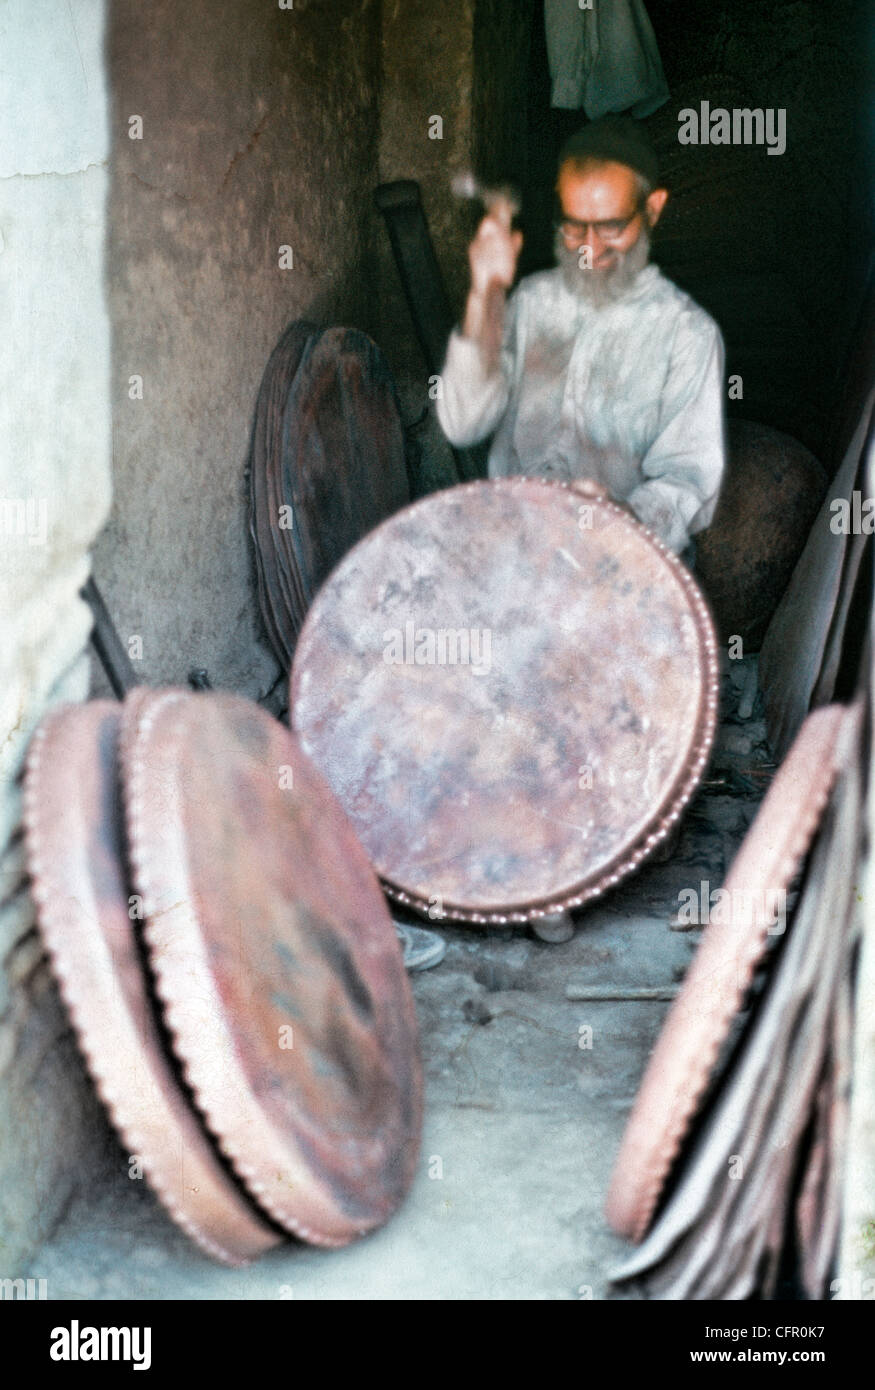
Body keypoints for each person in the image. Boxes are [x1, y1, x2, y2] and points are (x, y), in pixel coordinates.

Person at [436, 116, 726, 559]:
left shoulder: (688, 335)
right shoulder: (531, 302)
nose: (589, 250)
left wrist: (620, 516)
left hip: (620, 563)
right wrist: (484, 293)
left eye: (611, 227)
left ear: (652, 209)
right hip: (512, 548)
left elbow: (688, 481)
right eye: (574, 226)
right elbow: (462, 425)